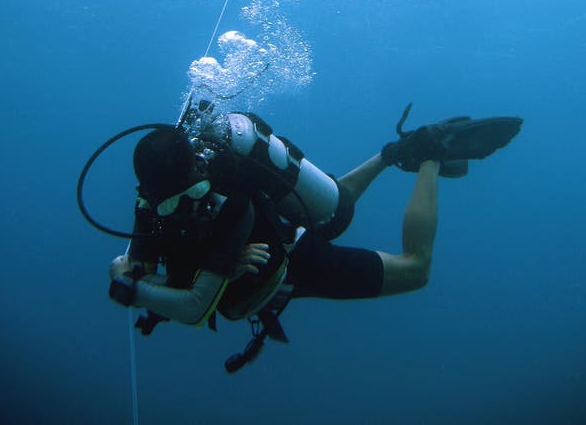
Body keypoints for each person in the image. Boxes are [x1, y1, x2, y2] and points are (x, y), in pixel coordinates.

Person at [108, 108, 522, 366]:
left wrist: (133, 289)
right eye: (167, 205)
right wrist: (137, 275)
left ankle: (432, 152)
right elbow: (143, 268)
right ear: (150, 194)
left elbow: (195, 307)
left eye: (196, 194)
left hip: (292, 262)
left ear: (200, 174)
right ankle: (393, 154)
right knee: (334, 210)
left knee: (415, 269)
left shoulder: (231, 201)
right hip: (274, 254)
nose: (187, 208)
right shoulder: (149, 206)